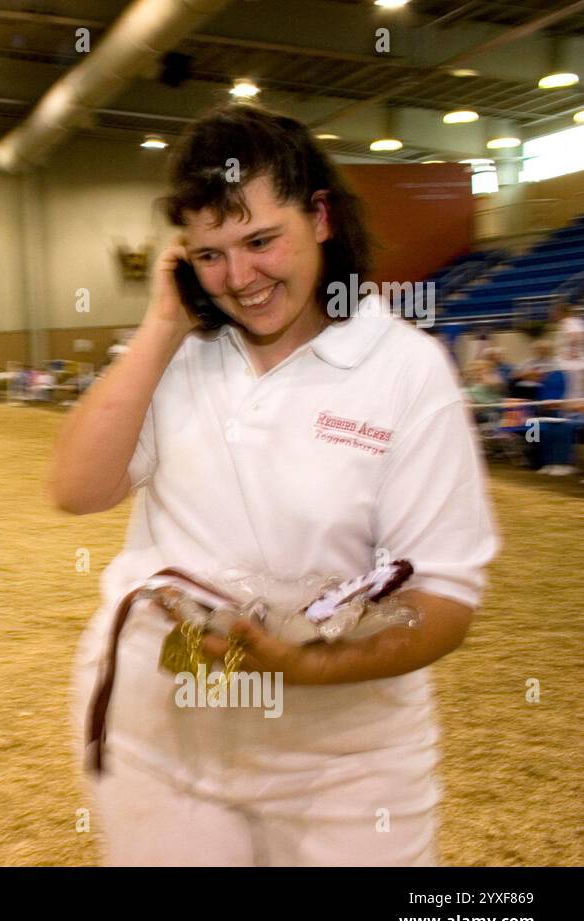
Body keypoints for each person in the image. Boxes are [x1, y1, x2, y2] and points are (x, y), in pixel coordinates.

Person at [49, 103, 499, 866]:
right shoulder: (182, 356)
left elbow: (445, 600)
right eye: (210, 254)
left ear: (321, 216)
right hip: (160, 737)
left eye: (261, 241)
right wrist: (161, 328)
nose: (241, 278)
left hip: (344, 760)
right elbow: (76, 488)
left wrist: (306, 664)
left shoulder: (404, 370)